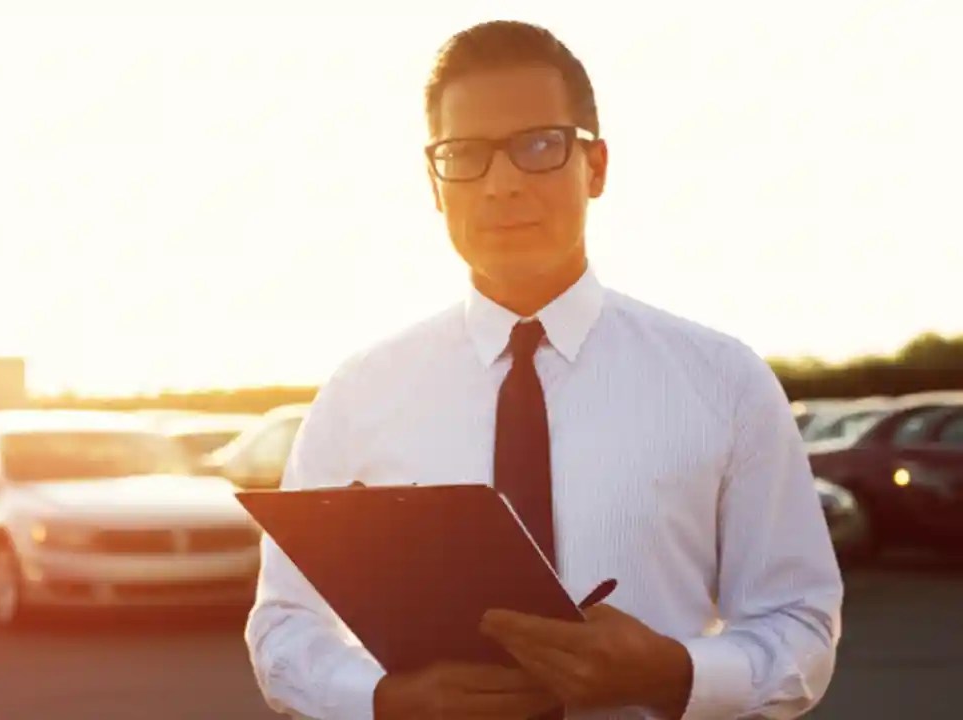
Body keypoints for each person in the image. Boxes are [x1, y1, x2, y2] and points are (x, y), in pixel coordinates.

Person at [245, 19, 842, 720]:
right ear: (435, 184)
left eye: (538, 145)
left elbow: (800, 623)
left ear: (597, 166)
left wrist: (676, 673)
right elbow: (282, 627)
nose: (500, 184)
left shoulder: (724, 382)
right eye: (465, 154)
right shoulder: (359, 394)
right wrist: (384, 700)